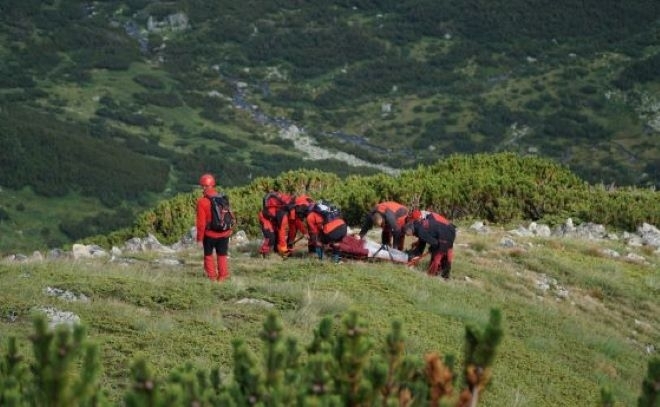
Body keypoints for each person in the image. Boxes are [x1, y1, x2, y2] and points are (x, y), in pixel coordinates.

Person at [196, 173, 232, 281]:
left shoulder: (202, 202)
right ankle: (223, 278)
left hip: (210, 234)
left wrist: (199, 239)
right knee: (222, 255)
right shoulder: (222, 199)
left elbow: (201, 224)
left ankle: (212, 278)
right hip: (224, 233)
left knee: (208, 255)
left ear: (204, 186)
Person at [404, 211, 456, 279]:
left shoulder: (420, 231)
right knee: (446, 253)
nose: (410, 236)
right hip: (449, 229)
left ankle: (431, 276)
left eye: (408, 234)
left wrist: (432, 248)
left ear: (410, 229)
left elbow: (434, 242)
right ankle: (445, 276)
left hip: (445, 233)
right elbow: (428, 235)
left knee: (437, 256)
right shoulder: (419, 224)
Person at [294, 198, 348, 263]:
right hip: (343, 226)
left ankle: (321, 258)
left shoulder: (310, 216)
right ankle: (336, 260)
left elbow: (314, 232)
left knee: (318, 241)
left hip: (332, 229)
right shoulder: (321, 208)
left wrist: (313, 240)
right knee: (336, 241)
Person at [258, 188, 293, 257]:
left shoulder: (284, 204)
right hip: (265, 218)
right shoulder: (284, 214)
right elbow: (282, 232)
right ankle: (263, 253)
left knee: (276, 235)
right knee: (271, 237)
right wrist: (284, 249)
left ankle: (276, 251)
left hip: (272, 218)